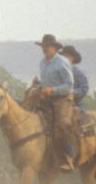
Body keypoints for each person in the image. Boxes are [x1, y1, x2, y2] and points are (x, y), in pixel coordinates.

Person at [33, 33, 77, 171]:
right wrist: (38, 85)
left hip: (62, 99)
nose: (44, 49)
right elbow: (46, 83)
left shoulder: (62, 62)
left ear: (54, 48)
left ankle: (67, 157)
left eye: (47, 46)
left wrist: (52, 90)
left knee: (62, 125)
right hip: (46, 98)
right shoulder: (42, 62)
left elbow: (69, 85)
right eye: (43, 46)